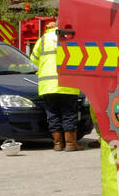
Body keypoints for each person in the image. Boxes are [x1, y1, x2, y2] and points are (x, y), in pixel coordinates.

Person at [30, 19, 83, 151]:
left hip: (48, 84)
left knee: (52, 114)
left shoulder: (43, 39)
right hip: (68, 83)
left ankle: (57, 144)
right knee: (69, 113)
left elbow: (33, 60)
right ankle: (71, 144)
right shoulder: (71, 37)